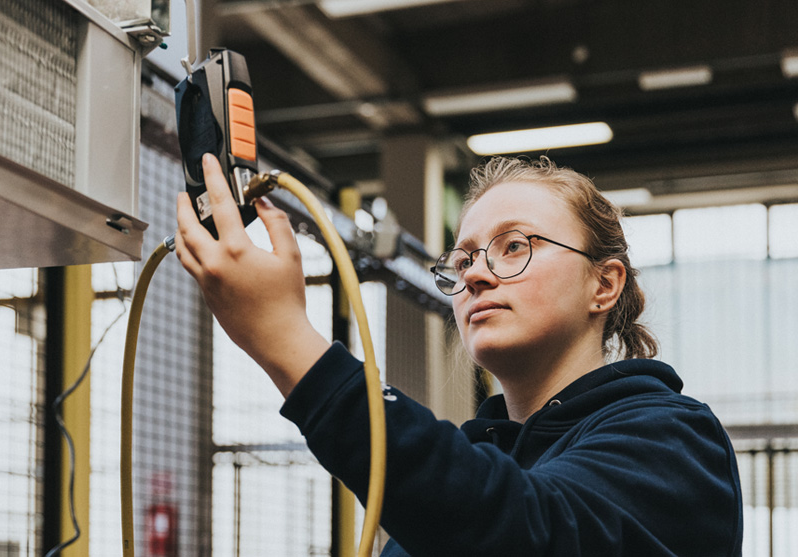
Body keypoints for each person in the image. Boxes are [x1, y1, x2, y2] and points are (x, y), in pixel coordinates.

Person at [174, 154, 743, 555]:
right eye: (465, 258)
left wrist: (288, 339)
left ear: (604, 284)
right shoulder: (476, 456)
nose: (474, 273)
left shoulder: (672, 438)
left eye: (514, 245)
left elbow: (520, 531)